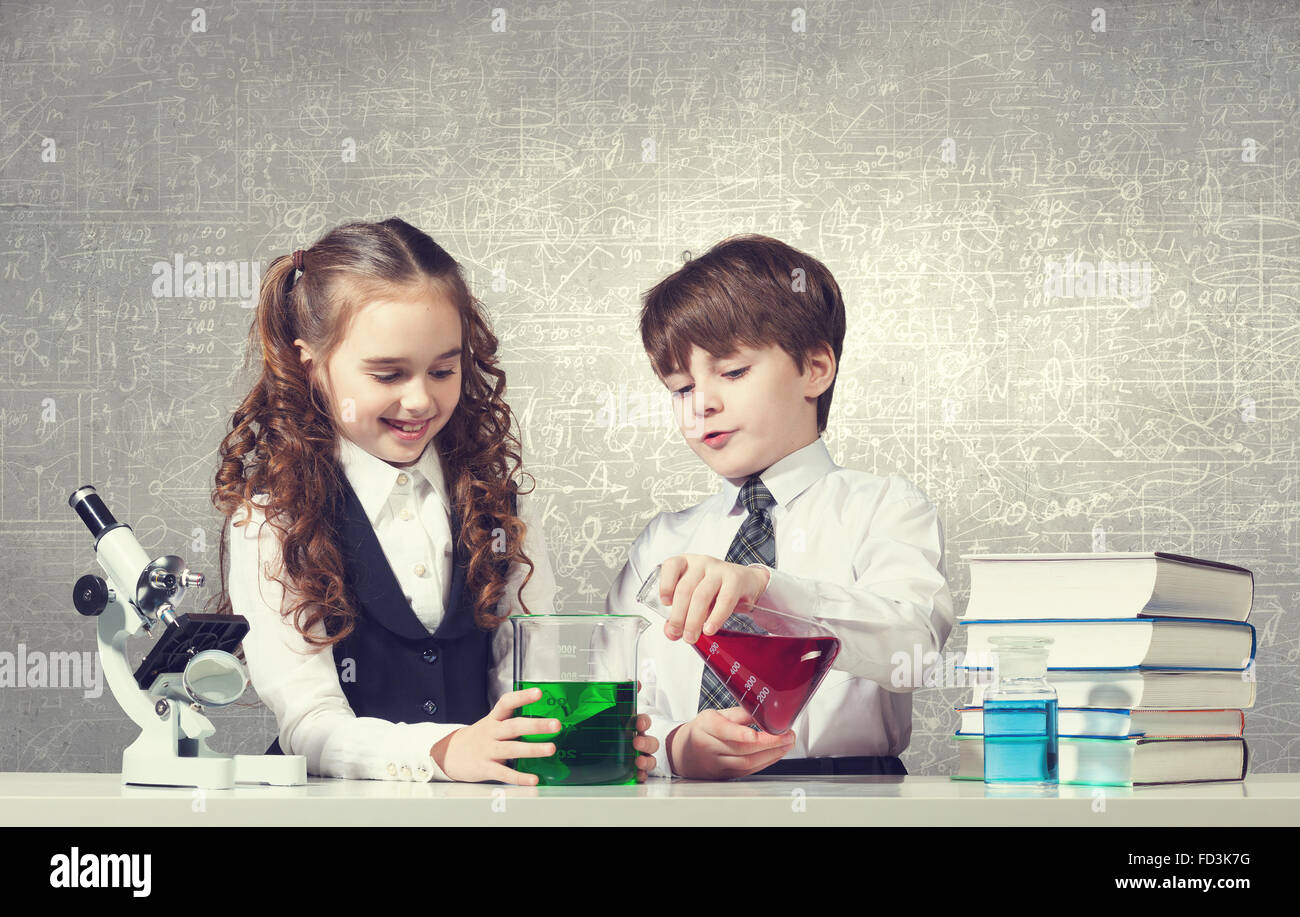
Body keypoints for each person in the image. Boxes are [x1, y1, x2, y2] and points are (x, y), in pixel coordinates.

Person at [211, 217, 657, 784]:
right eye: (388, 373)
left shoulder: (501, 505)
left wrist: (574, 736)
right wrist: (443, 751)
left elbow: (531, 679)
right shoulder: (273, 519)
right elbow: (310, 723)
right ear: (311, 364)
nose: (419, 398)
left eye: (443, 369)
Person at [605, 234, 953, 779]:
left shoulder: (884, 507)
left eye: (733, 371)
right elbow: (613, 687)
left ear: (815, 368)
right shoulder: (662, 542)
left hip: (851, 799)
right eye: (679, 388)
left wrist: (767, 589)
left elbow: (915, 648)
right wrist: (673, 746)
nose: (703, 404)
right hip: (680, 798)